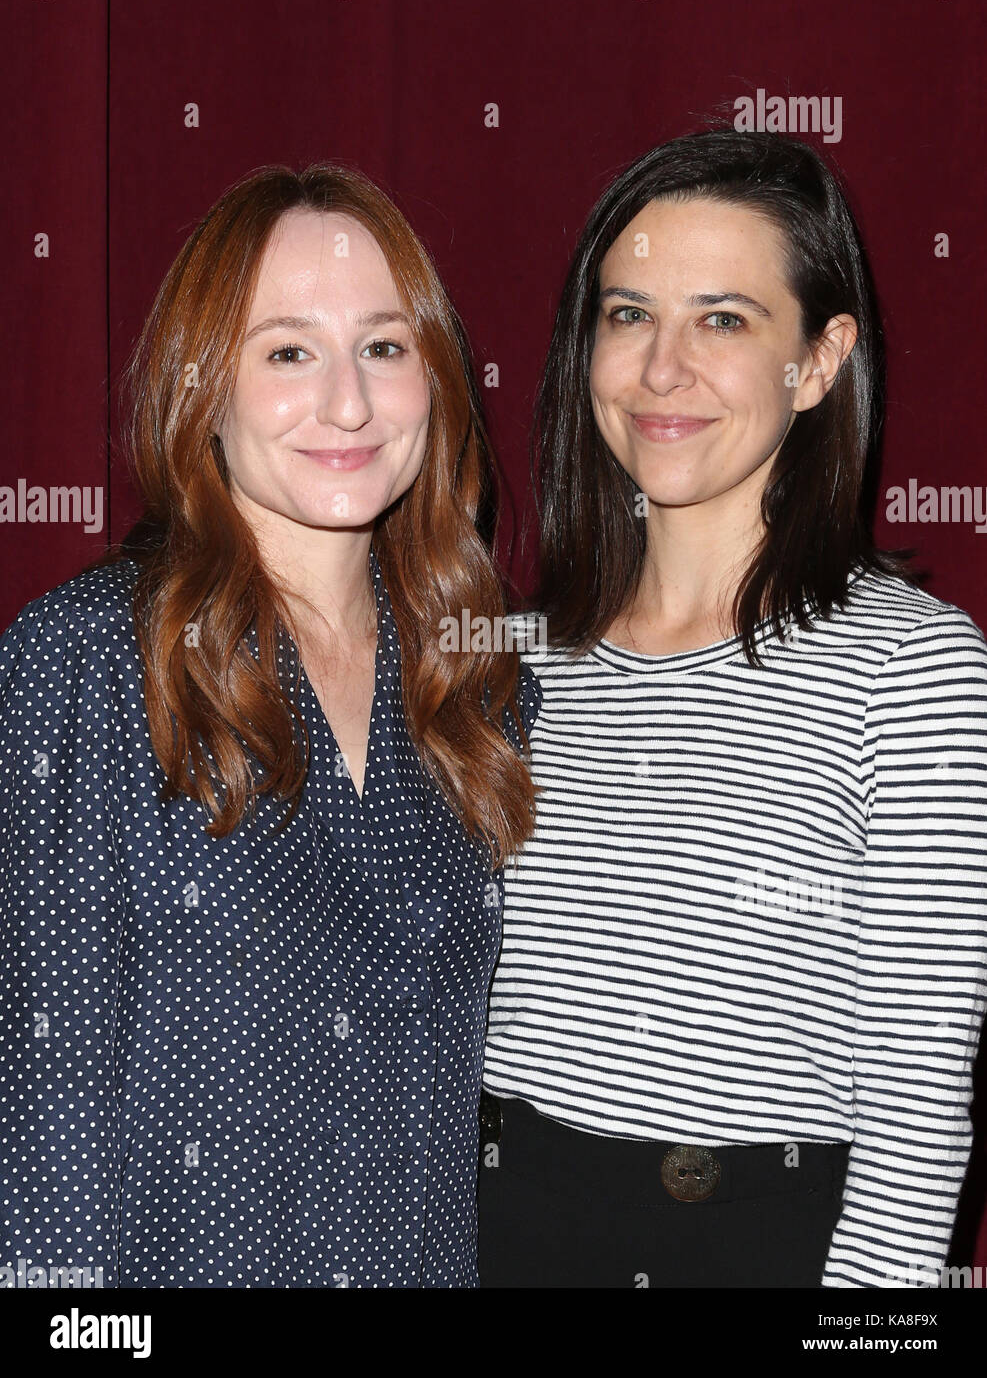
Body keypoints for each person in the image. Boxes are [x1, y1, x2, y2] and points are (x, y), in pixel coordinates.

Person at [0, 163, 538, 1288]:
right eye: (289, 350)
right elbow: (41, 1103)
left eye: (385, 348)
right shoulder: (86, 662)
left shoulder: (474, 682)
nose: (347, 403)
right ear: (202, 383)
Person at [479, 128, 987, 1289]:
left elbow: (917, 1107)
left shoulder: (913, 669)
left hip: (757, 1251)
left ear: (818, 362)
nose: (662, 369)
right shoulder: (506, 664)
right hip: (489, 1235)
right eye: (626, 315)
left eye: (722, 319)